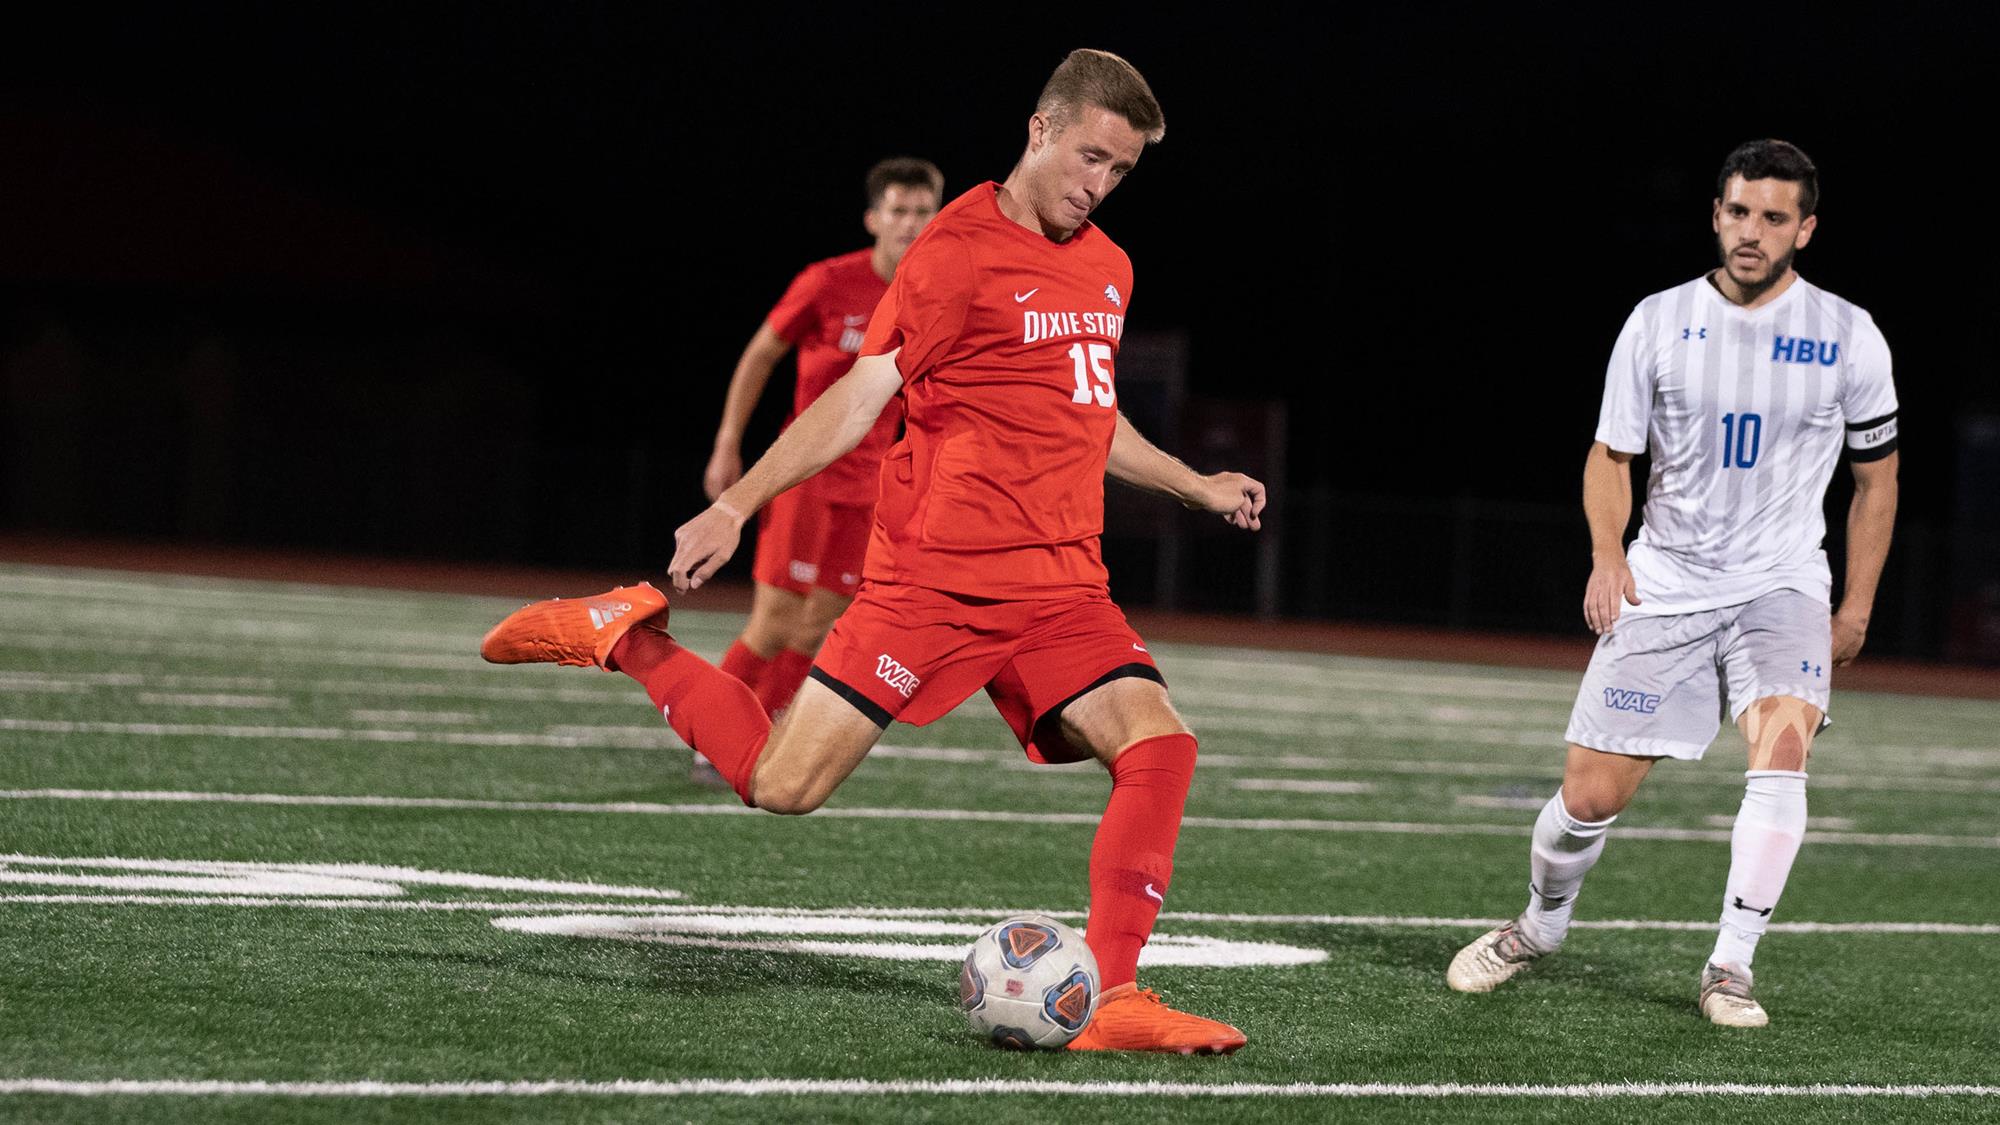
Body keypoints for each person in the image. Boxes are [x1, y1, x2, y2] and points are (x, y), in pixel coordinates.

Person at [482, 48, 1266, 1054]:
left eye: (1119, 171)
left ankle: (1113, 1002)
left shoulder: (1107, 266)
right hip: (934, 580)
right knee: (781, 786)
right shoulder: (955, 253)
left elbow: (1089, 413)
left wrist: (1194, 484)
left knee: (1156, 743)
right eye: (1088, 157)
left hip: (1061, 581)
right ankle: (628, 638)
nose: (1097, 184)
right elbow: (860, 394)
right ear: (1039, 129)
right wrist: (738, 504)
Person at [1446, 139, 1899, 1027]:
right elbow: (1612, 453)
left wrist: (1856, 604)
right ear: (1717, 214)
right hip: (1669, 582)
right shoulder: (1657, 320)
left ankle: (1730, 966)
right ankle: (1538, 927)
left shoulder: (1851, 334)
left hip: (1781, 583)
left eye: (1774, 217)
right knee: (1588, 799)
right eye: (1738, 211)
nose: (1752, 231)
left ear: (1805, 228)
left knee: (1783, 754)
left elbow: (1877, 479)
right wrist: (1608, 556)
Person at [703, 157, 943, 718]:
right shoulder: (829, 281)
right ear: (873, 218)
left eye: (923, 211)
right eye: (899, 210)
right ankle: (708, 729)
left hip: (871, 488)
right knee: (774, 623)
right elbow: (760, 355)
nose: (910, 223)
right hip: (803, 477)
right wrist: (727, 439)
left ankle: (762, 734)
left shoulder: (934, 297)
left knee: (817, 631)